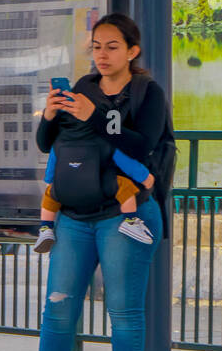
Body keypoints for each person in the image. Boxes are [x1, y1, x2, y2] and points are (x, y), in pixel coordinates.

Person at [9, 14, 169, 351]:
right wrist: (49, 114)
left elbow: (142, 143)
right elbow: (48, 144)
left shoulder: (147, 93)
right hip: (75, 217)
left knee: (123, 312)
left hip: (125, 215)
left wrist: (96, 116)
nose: (102, 54)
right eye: (97, 46)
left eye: (112, 46)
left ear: (132, 52)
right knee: (58, 311)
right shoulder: (81, 87)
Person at [34, 95, 154, 251]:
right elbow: (127, 164)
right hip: (99, 188)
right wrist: (145, 177)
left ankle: (45, 228)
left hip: (65, 191)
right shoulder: (104, 140)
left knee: (50, 194)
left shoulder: (58, 142)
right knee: (125, 186)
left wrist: (51, 182)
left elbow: (50, 171)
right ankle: (130, 221)